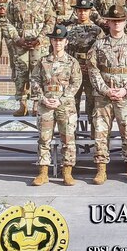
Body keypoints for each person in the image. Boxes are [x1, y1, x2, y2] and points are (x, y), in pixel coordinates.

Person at [86, 5, 127, 185]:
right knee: (101, 133)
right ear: (108, 22)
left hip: (125, 97)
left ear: (125, 21)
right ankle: (101, 170)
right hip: (103, 98)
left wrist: (126, 90)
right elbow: (92, 69)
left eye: (120, 20)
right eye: (114, 21)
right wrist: (105, 90)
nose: (117, 24)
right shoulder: (98, 45)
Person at [30, 25, 82, 186]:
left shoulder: (72, 62)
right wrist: (42, 98)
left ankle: (67, 172)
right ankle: (43, 172)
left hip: (65, 105)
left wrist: (61, 99)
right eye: (55, 40)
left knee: (68, 139)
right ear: (51, 41)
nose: (57, 43)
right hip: (46, 104)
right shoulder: (43, 61)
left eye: (61, 40)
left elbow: (76, 83)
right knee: (44, 139)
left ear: (66, 42)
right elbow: (34, 80)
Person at [6, 0, 55, 116]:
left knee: (37, 74)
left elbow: (51, 22)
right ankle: (22, 105)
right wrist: (16, 39)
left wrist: (39, 39)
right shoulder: (15, 2)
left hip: (39, 45)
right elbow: (7, 22)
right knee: (21, 73)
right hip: (21, 44)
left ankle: (36, 104)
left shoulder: (45, 2)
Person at [66, 0, 105, 139]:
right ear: (76, 12)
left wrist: (90, 66)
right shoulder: (68, 29)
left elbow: (101, 52)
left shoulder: (97, 30)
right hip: (73, 71)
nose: (82, 13)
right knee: (71, 102)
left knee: (92, 102)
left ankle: (95, 133)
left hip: (90, 70)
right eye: (80, 11)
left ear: (90, 11)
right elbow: (64, 51)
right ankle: (71, 133)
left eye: (85, 11)